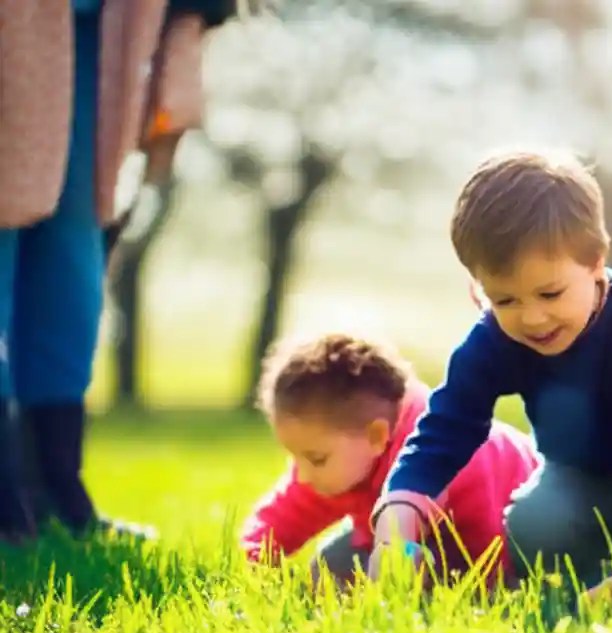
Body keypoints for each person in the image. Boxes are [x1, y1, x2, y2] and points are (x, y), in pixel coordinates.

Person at [369, 148, 612, 602]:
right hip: (586, 473)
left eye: (549, 293)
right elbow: (445, 428)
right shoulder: (492, 340)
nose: (532, 318)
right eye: (505, 300)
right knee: (535, 524)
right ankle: (591, 587)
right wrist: (399, 510)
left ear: (595, 263)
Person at [0, 1, 237, 543]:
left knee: (72, 248)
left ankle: (53, 486)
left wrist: (191, 22)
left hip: (112, 28)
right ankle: (7, 491)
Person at [241, 332, 540, 589]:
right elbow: (287, 513)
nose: (303, 476)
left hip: (505, 538)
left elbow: (490, 538)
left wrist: (490, 591)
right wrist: (253, 562)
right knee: (330, 568)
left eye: (316, 459)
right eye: (296, 458)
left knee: (458, 573)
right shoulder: (347, 460)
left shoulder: (454, 451)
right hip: (411, 545)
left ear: (376, 436)